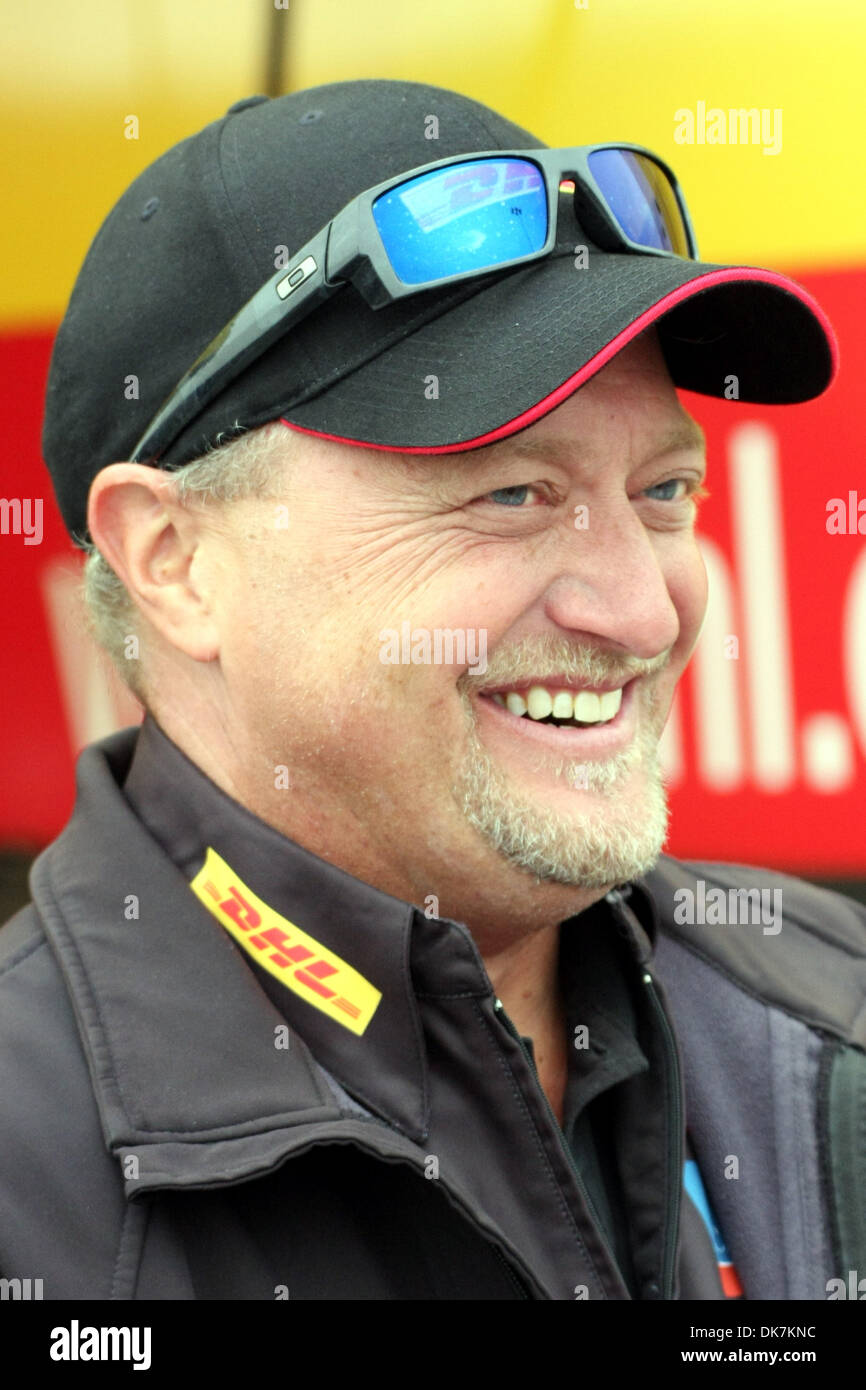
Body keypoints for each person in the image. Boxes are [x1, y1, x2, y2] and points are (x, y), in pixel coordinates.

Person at [0, 78, 862, 1302]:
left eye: (663, 493)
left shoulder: (827, 1010)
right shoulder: (32, 1184)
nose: (638, 609)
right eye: (510, 496)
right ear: (174, 563)